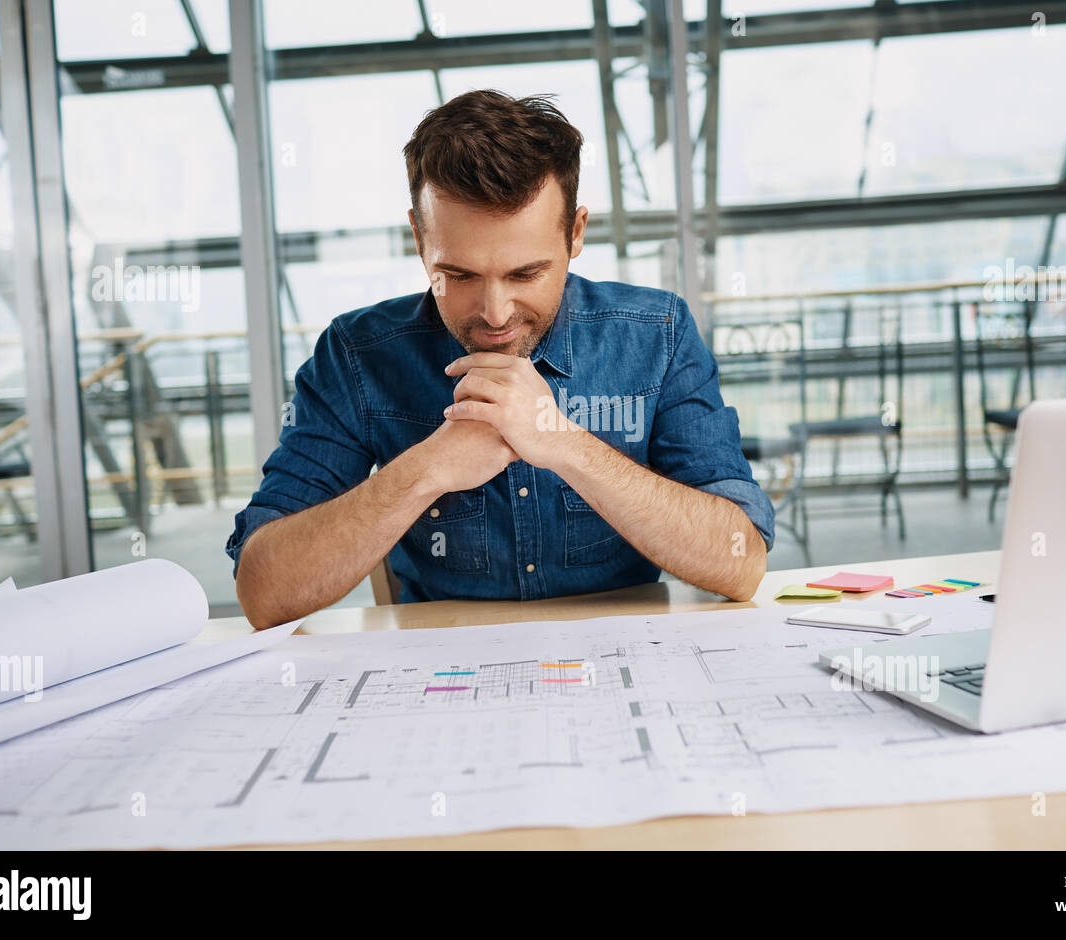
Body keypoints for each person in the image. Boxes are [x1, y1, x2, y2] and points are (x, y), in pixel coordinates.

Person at [228, 89, 773, 628]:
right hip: (437, 676)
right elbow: (264, 591)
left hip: (620, 660)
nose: (494, 313)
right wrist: (427, 469)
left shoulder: (658, 336)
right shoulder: (358, 356)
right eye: (459, 275)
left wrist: (563, 444)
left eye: (525, 274)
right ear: (419, 238)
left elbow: (739, 563)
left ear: (576, 232)